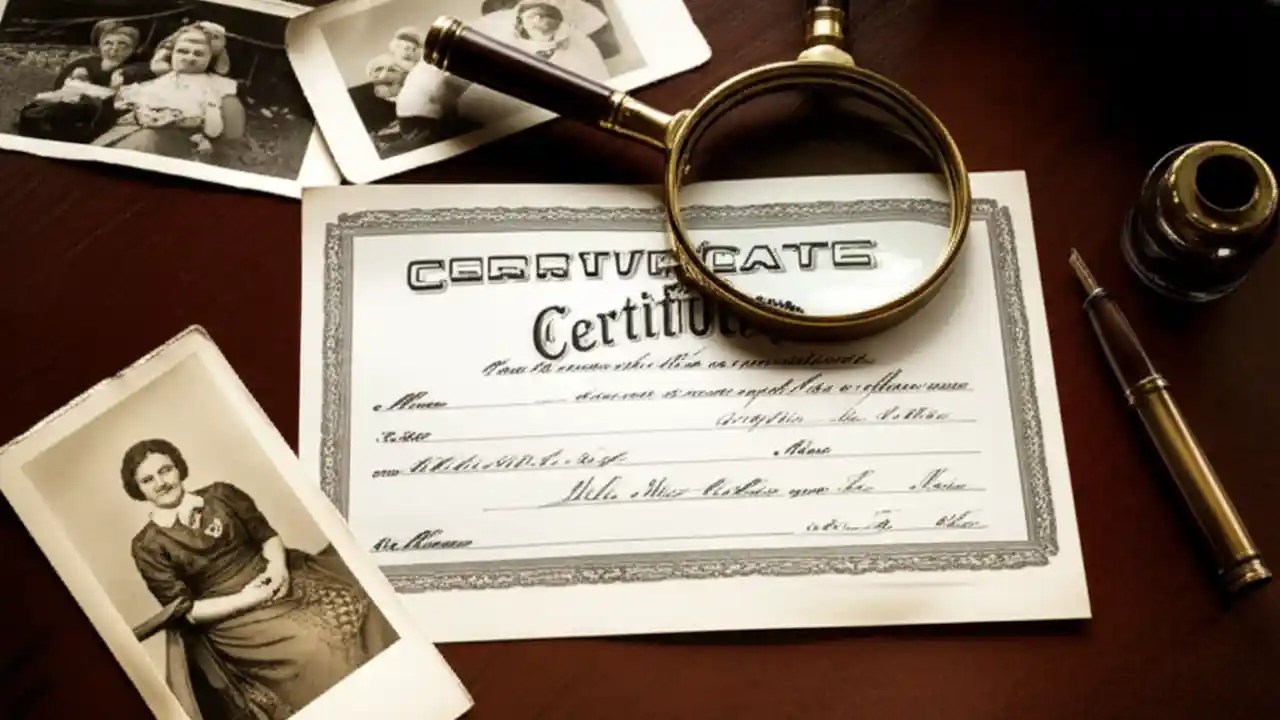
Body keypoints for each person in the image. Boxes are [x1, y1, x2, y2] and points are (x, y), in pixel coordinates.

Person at [122, 438, 397, 719]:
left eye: (165, 470)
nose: (161, 483)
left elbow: (266, 536)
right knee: (314, 647)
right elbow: (188, 611)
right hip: (230, 616)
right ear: (138, 489)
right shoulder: (147, 545)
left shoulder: (221, 495)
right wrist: (250, 598)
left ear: (179, 468)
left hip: (276, 573)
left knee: (360, 596)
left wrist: (277, 571)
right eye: (148, 480)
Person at [391, 0, 609, 153]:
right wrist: (434, 119)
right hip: (433, 119)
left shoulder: (580, 46)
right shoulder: (490, 31)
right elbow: (445, 84)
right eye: (535, 15)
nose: (541, 20)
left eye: (550, 16)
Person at [92, 23, 242, 159]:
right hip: (132, 129)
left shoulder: (217, 85)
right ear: (172, 54)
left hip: (177, 140)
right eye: (182, 51)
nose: (189, 58)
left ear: (209, 59)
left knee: (141, 144)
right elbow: (125, 103)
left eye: (198, 54)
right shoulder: (161, 80)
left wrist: (210, 107)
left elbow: (224, 133)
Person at [16, 19, 154, 143]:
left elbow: (145, 74)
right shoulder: (87, 63)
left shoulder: (136, 67)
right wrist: (75, 76)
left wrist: (123, 74)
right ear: (99, 46)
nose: (114, 48)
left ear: (133, 49)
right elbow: (61, 85)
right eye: (108, 43)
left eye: (123, 44)